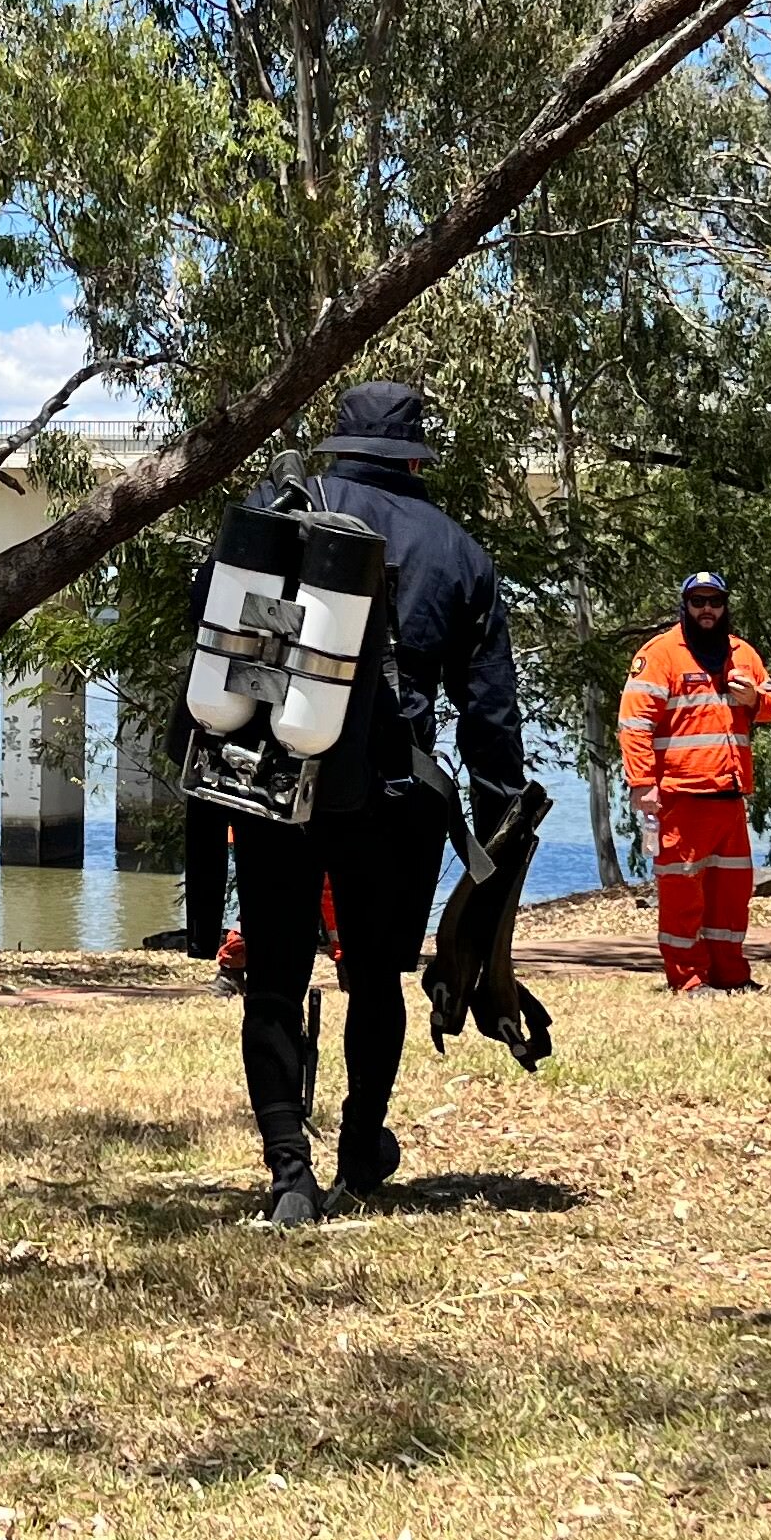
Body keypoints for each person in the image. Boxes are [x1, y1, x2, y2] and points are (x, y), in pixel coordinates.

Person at [233, 379, 524, 1222]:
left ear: (340, 444)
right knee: (374, 978)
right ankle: (361, 1146)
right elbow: (490, 713)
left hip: (278, 778)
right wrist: (499, 825)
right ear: (414, 457)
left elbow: (224, 633)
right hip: (395, 796)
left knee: (275, 978)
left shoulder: (285, 508)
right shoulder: (459, 551)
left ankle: (289, 1174)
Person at [616, 572, 771, 992]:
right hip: (681, 798)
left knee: (731, 894)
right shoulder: (660, 655)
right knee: (682, 894)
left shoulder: (743, 654)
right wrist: (642, 783)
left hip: (730, 796)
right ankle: (688, 978)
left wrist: (754, 699)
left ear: (725, 606)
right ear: (685, 606)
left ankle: (731, 975)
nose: (707, 609)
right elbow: (634, 725)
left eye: (715, 601)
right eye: (698, 601)